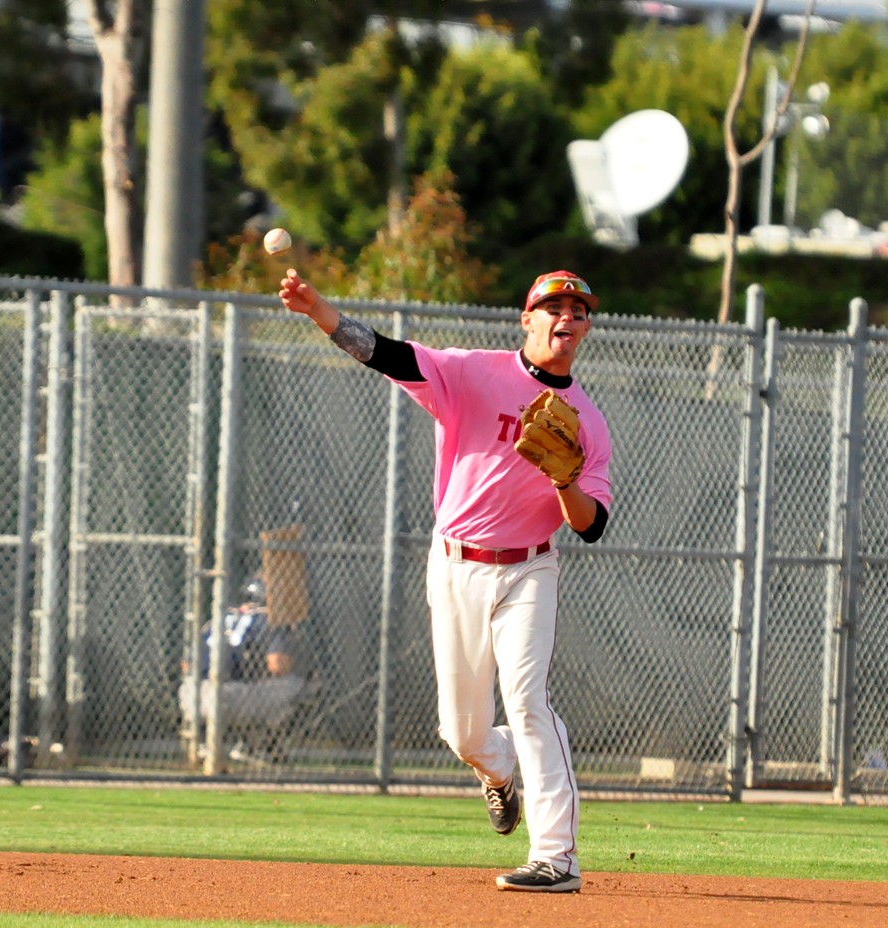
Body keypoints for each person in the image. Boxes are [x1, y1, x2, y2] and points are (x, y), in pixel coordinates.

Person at [279, 267, 613, 893]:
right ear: (527, 318)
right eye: (553, 307)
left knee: (529, 702)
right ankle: (498, 766)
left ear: (586, 326)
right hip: (456, 563)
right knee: (460, 731)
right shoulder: (469, 373)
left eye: (579, 310)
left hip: (529, 569)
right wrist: (318, 309)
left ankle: (556, 857)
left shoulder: (586, 421)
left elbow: (591, 526)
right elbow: (383, 352)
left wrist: (565, 481)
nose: (566, 318)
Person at [180, 575, 307, 762]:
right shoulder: (271, 619)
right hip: (231, 697)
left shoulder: (219, 617)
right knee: (296, 684)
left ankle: (204, 743)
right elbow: (277, 664)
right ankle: (258, 746)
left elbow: (186, 665)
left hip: (192, 694)